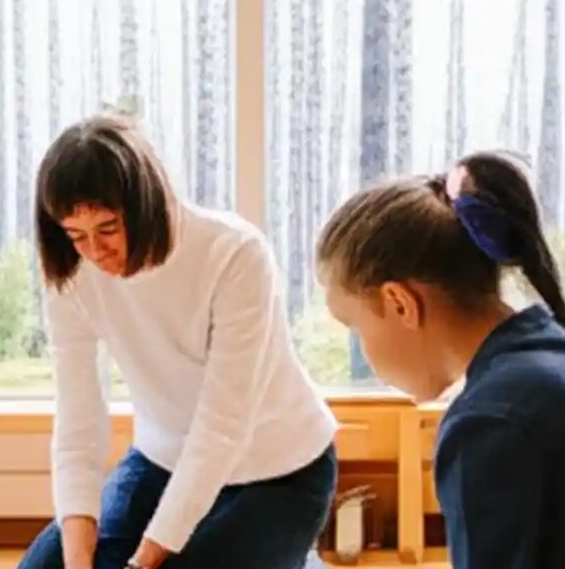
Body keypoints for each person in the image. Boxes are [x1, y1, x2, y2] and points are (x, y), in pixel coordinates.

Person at [315, 150, 565, 569]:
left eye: (355, 327)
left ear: (400, 304)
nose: (362, 349)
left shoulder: (497, 419)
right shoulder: (556, 367)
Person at [19, 114, 338, 569]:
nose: (94, 251)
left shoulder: (234, 253)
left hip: (279, 468)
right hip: (161, 460)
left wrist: (143, 560)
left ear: (145, 203)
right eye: (75, 235)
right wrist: (76, 559)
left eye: (107, 229)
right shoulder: (72, 273)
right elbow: (79, 420)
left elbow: (221, 425)